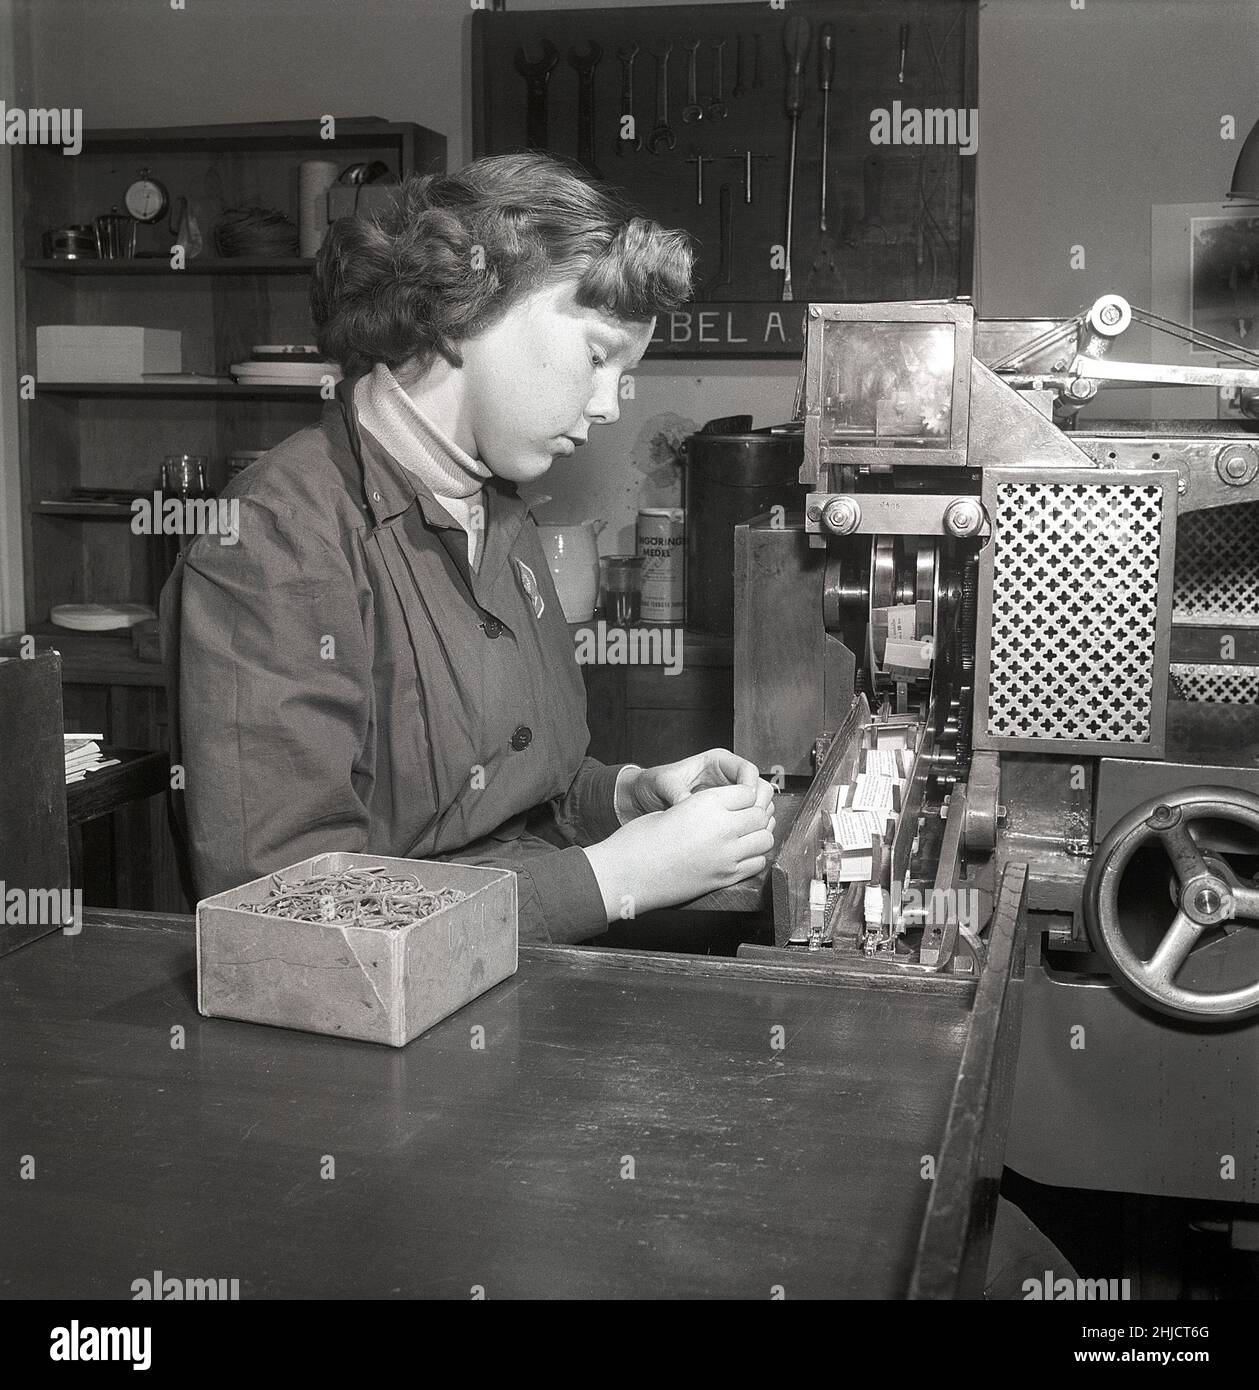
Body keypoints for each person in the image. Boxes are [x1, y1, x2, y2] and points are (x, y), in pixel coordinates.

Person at [162, 151, 775, 941]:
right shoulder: (275, 540)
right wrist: (615, 875)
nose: (609, 405)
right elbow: (286, 913)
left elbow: (512, 795)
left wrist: (624, 797)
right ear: (463, 313)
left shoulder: (504, 520)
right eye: (597, 357)